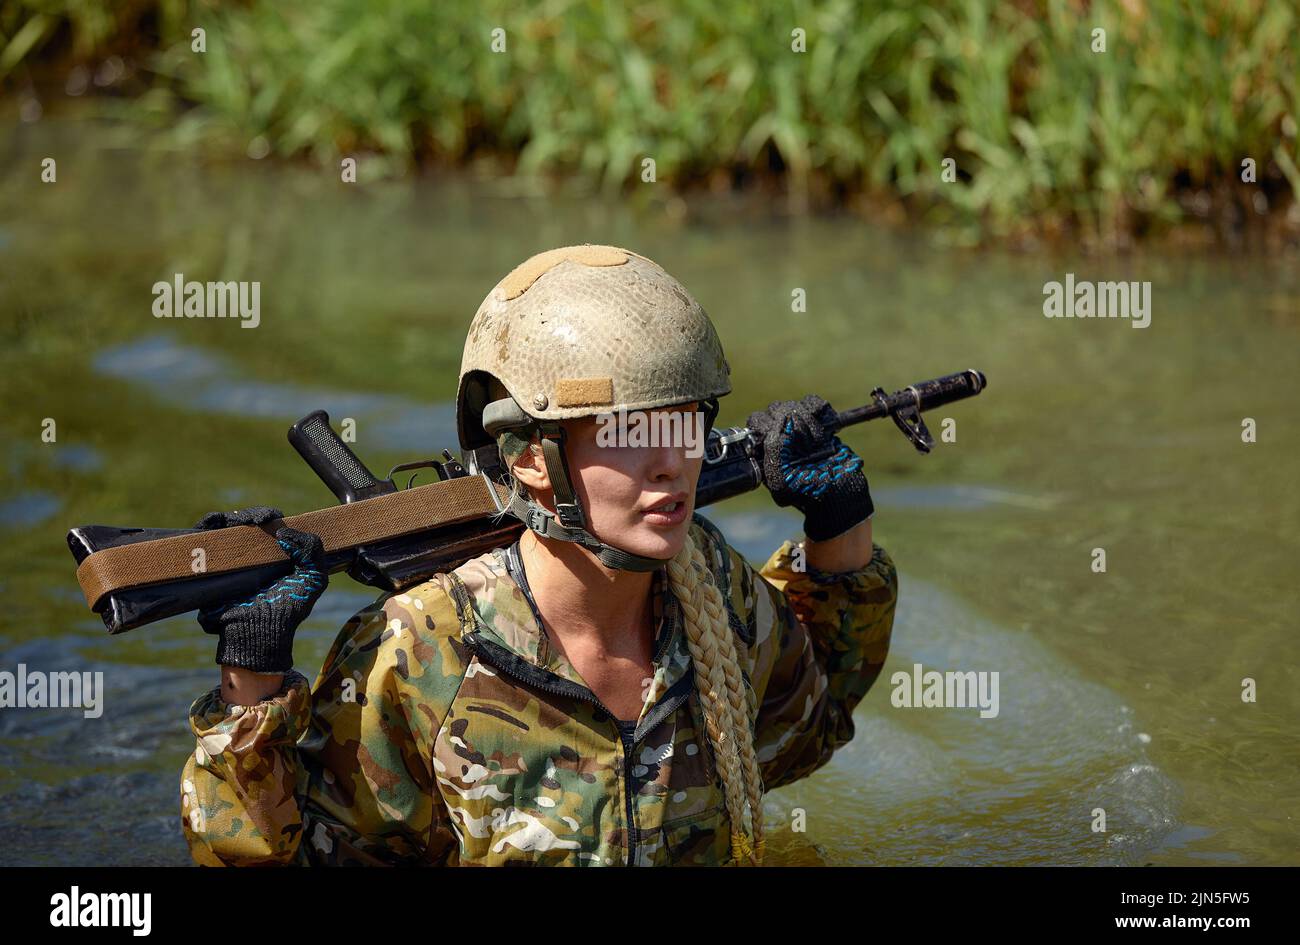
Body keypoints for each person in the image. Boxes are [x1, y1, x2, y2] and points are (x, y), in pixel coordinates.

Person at [180, 244, 898, 866]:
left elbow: (813, 720)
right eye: (623, 433)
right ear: (527, 457)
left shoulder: (712, 589)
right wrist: (253, 676)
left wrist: (840, 520)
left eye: (685, 423)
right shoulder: (418, 654)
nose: (671, 463)